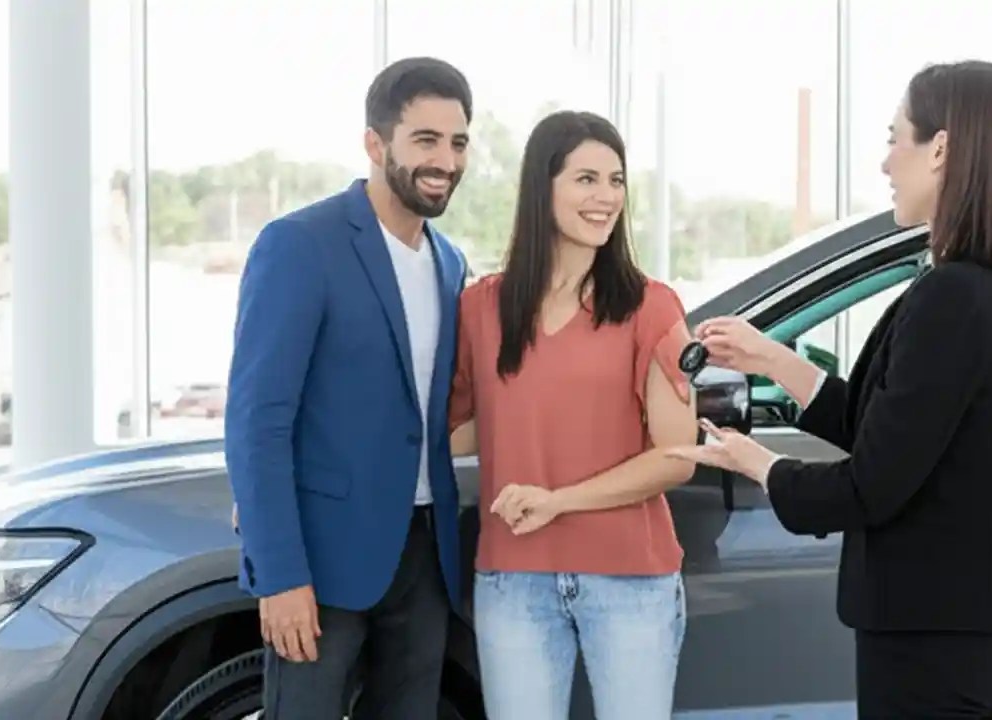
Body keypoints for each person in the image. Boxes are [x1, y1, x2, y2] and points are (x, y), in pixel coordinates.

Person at [665, 60, 992, 719]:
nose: (886, 163)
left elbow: (870, 487)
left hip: (927, 642)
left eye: (894, 138)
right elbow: (894, 432)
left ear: (940, 149)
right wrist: (774, 359)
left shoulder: (952, 296)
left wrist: (755, 462)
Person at [224, 56, 473, 719]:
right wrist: (278, 574)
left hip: (425, 558)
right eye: (425, 139)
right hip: (322, 559)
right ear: (375, 142)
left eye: (457, 142)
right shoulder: (301, 244)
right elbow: (258, 420)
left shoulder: (451, 263)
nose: (444, 160)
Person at [447, 110, 699, 720]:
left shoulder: (651, 306)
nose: (606, 197)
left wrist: (559, 500)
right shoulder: (480, 307)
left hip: (631, 582)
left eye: (616, 181)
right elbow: (457, 433)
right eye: (586, 178)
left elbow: (677, 456)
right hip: (513, 580)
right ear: (544, 186)